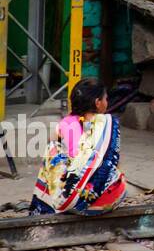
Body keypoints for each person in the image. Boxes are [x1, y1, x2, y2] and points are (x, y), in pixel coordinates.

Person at [31, 78, 127, 216]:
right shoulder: (108, 124)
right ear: (97, 103)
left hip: (68, 200)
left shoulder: (65, 124)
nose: (107, 102)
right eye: (105, 98)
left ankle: (45, 207)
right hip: (105, 200)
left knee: (52, 149)